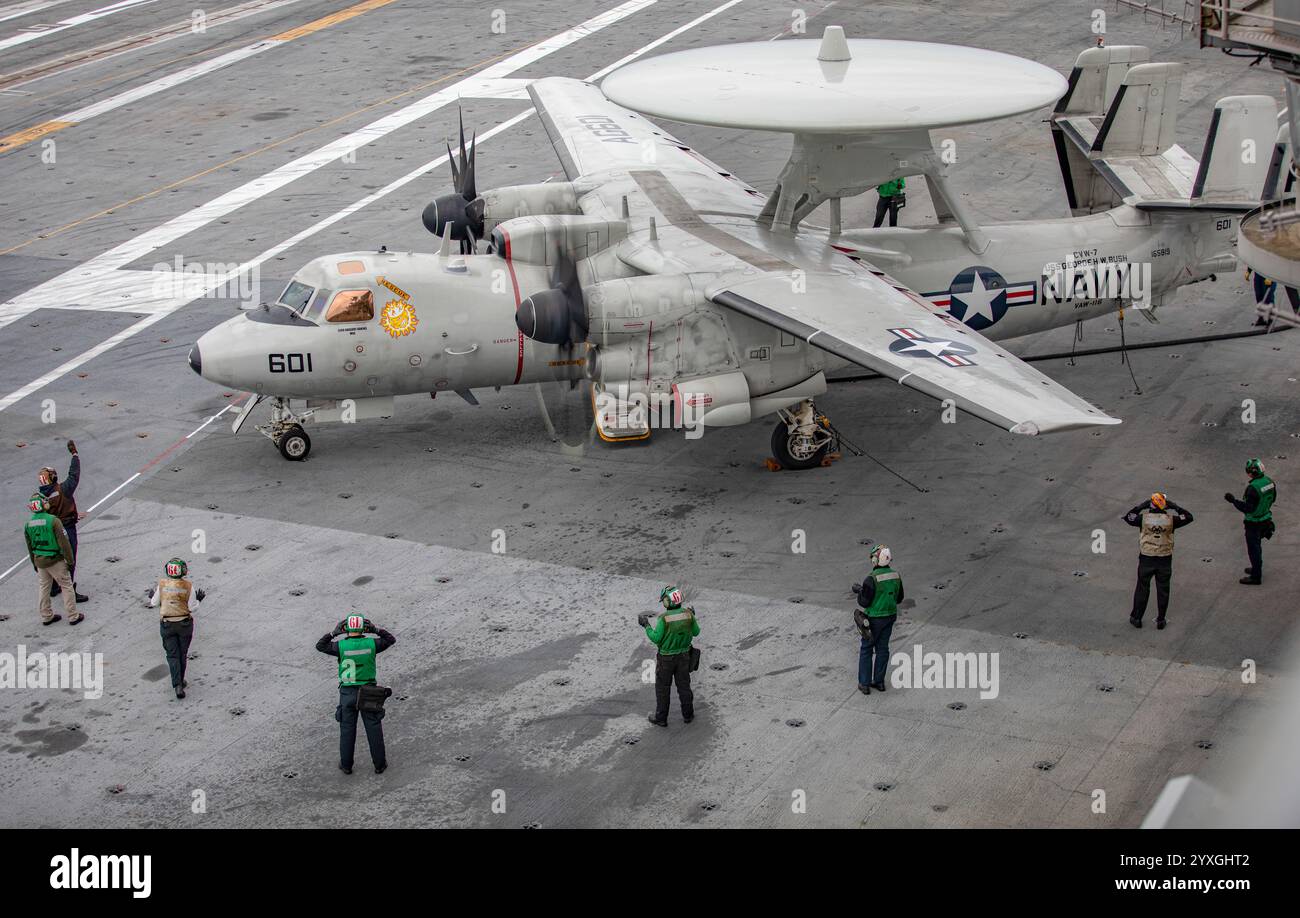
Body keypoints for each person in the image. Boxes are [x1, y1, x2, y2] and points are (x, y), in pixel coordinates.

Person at [316, 615, 395, 774]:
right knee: (373, 728)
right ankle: (379, 765)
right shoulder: (372, 644)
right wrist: (376, 630)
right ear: (364, 628)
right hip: (368, 692)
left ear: (346, 628)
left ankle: (346, 765)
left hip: (347, 693)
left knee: (347, 730)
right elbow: (390, 640)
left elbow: (320, 646)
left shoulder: (341, 646)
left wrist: (333, 634)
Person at [1123, 492, 1193, 629]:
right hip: (1164, 559)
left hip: (1146, 557)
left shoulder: (1143, 519)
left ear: (1151, 504)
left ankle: (1137, 618)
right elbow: (1189, 517)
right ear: (1164, 505)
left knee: (1142, 587)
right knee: (1163, 589)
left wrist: (1140, 507)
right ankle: (1161, 620)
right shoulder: (1171, 520)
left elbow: (1128, 517)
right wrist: (1175, 507)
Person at [640, 586, 699, 726]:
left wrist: (646, 626)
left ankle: (661, 718)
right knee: (684, 686)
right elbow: (696, 632)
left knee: (662, 688)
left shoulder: (664, 619)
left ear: (668, 601)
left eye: (664, 600)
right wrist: (693, 617)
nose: (663, 602)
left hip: (666, 659)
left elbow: (656, 638)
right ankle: (688, 715)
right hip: (684, 656)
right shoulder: (688, 614)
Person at [146, 558, 205, 699]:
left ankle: (177, 684)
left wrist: (151, 595)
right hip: (184, 624)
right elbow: (192, 608)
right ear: (183, 571)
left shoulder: (162, 584)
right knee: (182, 654)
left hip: (167, 625)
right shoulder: (188, 586)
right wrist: (199, 600)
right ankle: (180, 681)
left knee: (172, 655)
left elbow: (153, 602)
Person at [39, 439, 88, 603]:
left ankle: (53, 587)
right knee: (69, 557)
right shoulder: (63, 490)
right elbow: (74, 475)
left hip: (48, 531)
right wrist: (75, 455)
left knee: (54, 557)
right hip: (66, 528)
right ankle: (70, 590)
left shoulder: (40, 498)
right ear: (53, 478)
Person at [22, 493, 82, 626]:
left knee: (44, 587)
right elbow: (64, 543)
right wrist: (70, 561)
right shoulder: (53, 520)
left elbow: (29, 546)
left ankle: (46, 616)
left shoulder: (28, 524)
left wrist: (34, 563)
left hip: (39, 560)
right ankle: (73, 616)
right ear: (43, 505)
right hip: (55, 559)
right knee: (66, 585)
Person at [855, 544, 902, 694]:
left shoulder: (871, 578)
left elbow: (864, 602)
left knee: (867, 649)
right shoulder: (896, 575)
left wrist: (860, 592)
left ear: (876, 560)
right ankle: (879, 682)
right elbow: (899, 598)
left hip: (874, 618)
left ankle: (864, 683)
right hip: (890, 617)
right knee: (882, 649)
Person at [1225, 458, 1276, 585]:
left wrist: (1233, 501)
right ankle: (1256, 569)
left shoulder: (1252, 488)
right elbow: (1273, 498)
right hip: (1266, 518)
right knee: (1257, 547)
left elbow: (1248, 508)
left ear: (1251, 473)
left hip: (1254, 523)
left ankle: (1256, 577)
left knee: (1254, 550)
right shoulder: (1269, 482)